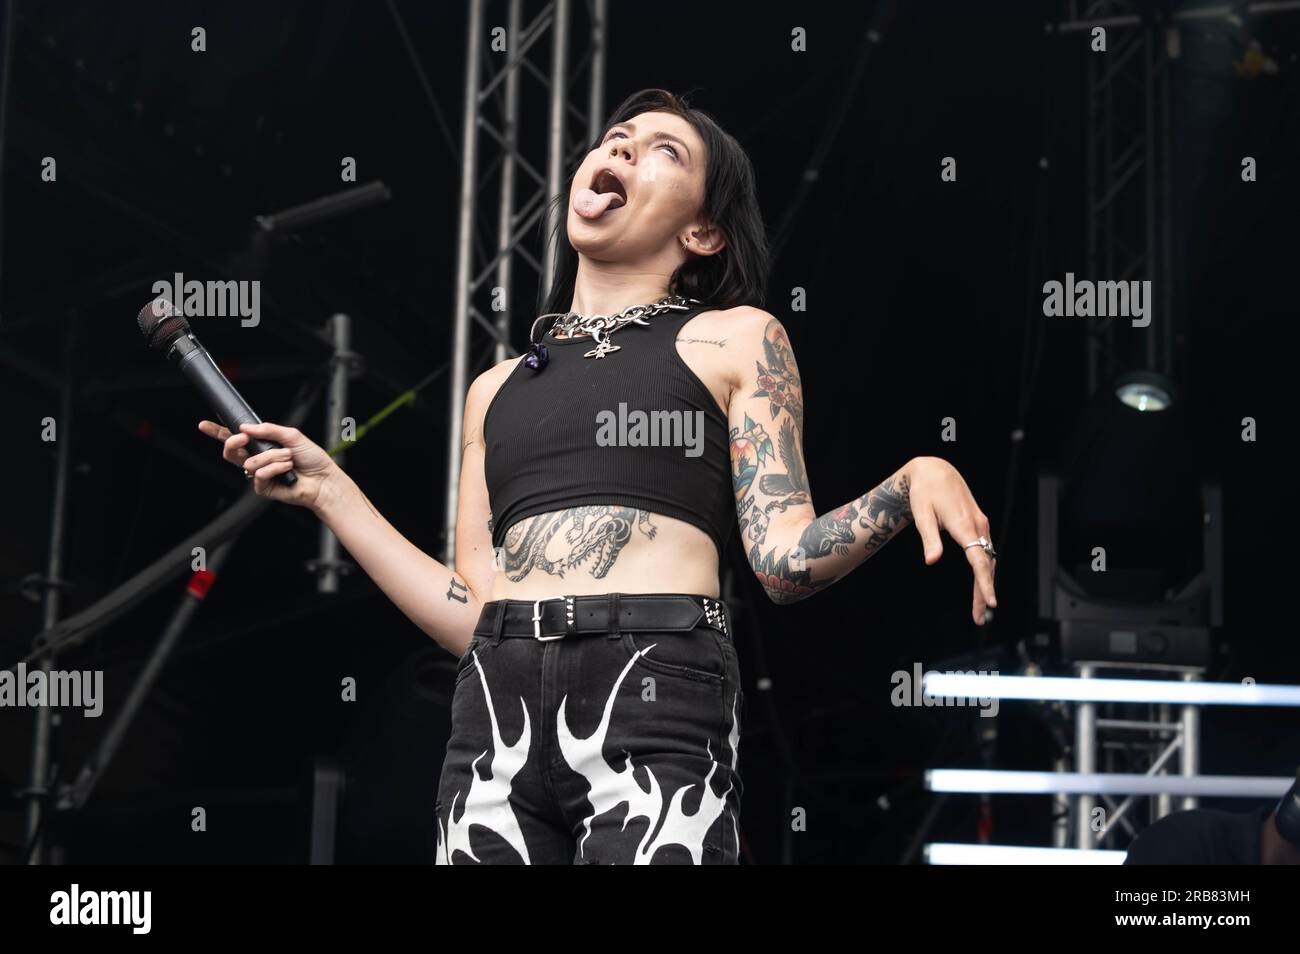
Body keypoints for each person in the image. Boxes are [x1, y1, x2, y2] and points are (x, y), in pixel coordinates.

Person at [198, 88, 998, 865]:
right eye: (617, 136)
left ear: (705, 233)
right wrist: (332, 491)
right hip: (494, 711)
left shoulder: (735, 340)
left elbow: (783, 564)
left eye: (663, 151)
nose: (622, 147)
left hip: (655, 686)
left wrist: (910, 482)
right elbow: (471, 615)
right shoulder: (496, 389)